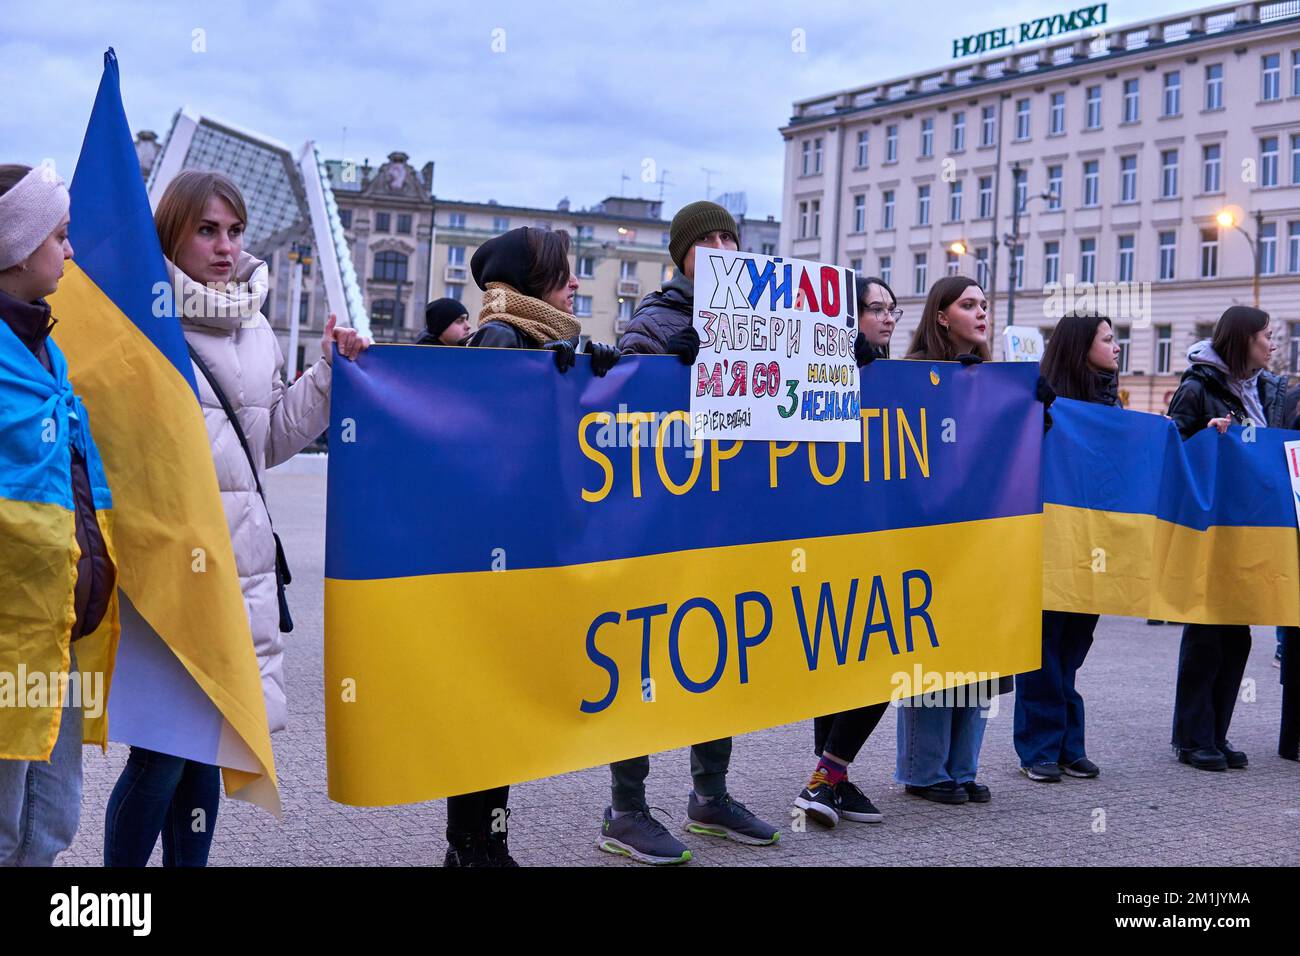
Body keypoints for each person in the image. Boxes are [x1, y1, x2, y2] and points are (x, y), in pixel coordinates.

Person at [103, 170, 368, 866]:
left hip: (239, 564)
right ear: (171, 234)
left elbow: (269, 441)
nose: (226, 246)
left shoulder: (255, 327)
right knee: (162, 752)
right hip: (169, 565)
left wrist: (326, 377)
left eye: (236, 230)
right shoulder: (138, 318)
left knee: (211, 750)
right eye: (207, 230)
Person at [601, 201, 780, 864]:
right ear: (681, 254)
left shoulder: (762, 322)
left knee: (719, 656)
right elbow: (617, 413)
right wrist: (667, 370)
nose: (721, 245)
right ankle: (625, 808)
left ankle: (710, 796)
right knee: (646, 659)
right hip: (659, 523)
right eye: (706, 238)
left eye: (730, 235)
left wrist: (852, 363)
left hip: (728, 520)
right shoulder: (653, 321)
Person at [450, 225, 618, 866]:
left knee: (501, 703)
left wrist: (588, 376)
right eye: (564, 272)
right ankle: (477, 844)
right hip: (498, 552)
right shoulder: (501, 336)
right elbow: (496, 443)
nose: (575, 282)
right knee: (492, 703)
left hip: (513, 547)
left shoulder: (537, 337)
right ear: (529, 279)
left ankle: (480, 842)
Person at [0, 164, 117, 866]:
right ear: (16, 247)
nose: (70, 252)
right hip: (8, 634)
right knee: (3, 823)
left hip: (58, 624)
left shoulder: (50, 350)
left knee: (51, 821)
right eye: (60, 236)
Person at [793, 275, 899, 829]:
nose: (885, 318)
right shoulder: (826, 370)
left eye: (891, 309)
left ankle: (828, 779)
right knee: (851, 658)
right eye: (873, 308)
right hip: (829, 536)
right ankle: (826, 778)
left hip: (879, 535)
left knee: (867, 658)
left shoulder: (896, 376)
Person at [891, 276, 999, 804]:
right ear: (940, 315)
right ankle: (924, 770)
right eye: (968, 304)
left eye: (984, 305)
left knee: (977, 649)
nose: (981, 313)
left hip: (981, 537)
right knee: (933, 650)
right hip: (926, 535)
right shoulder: (911, 375)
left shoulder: (995, 382)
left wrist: (1034, 409)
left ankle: (963, 766)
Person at [1166, 305, 1287, 771]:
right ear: (1243, 341)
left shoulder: (1265, 390)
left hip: (1253, 526)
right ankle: (1191, 737)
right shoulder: (1197, 386)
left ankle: (1216, 731)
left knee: (1238, 635)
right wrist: (1206, 435)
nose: (1272, 345)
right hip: (1212, 527)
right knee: (1208, 632)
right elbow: (1173, 447)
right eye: (1266, 337)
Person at [1015, 312, 1121, 783]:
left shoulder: (1110, 403)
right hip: (1048, 542)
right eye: (1108, 338)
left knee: (1074, 647)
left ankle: (1066, 745)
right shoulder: (1042, 398)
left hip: (1093, 545)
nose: (1117, 346)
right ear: (1082, 347)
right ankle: (1040, 748)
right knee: (1044, 647)